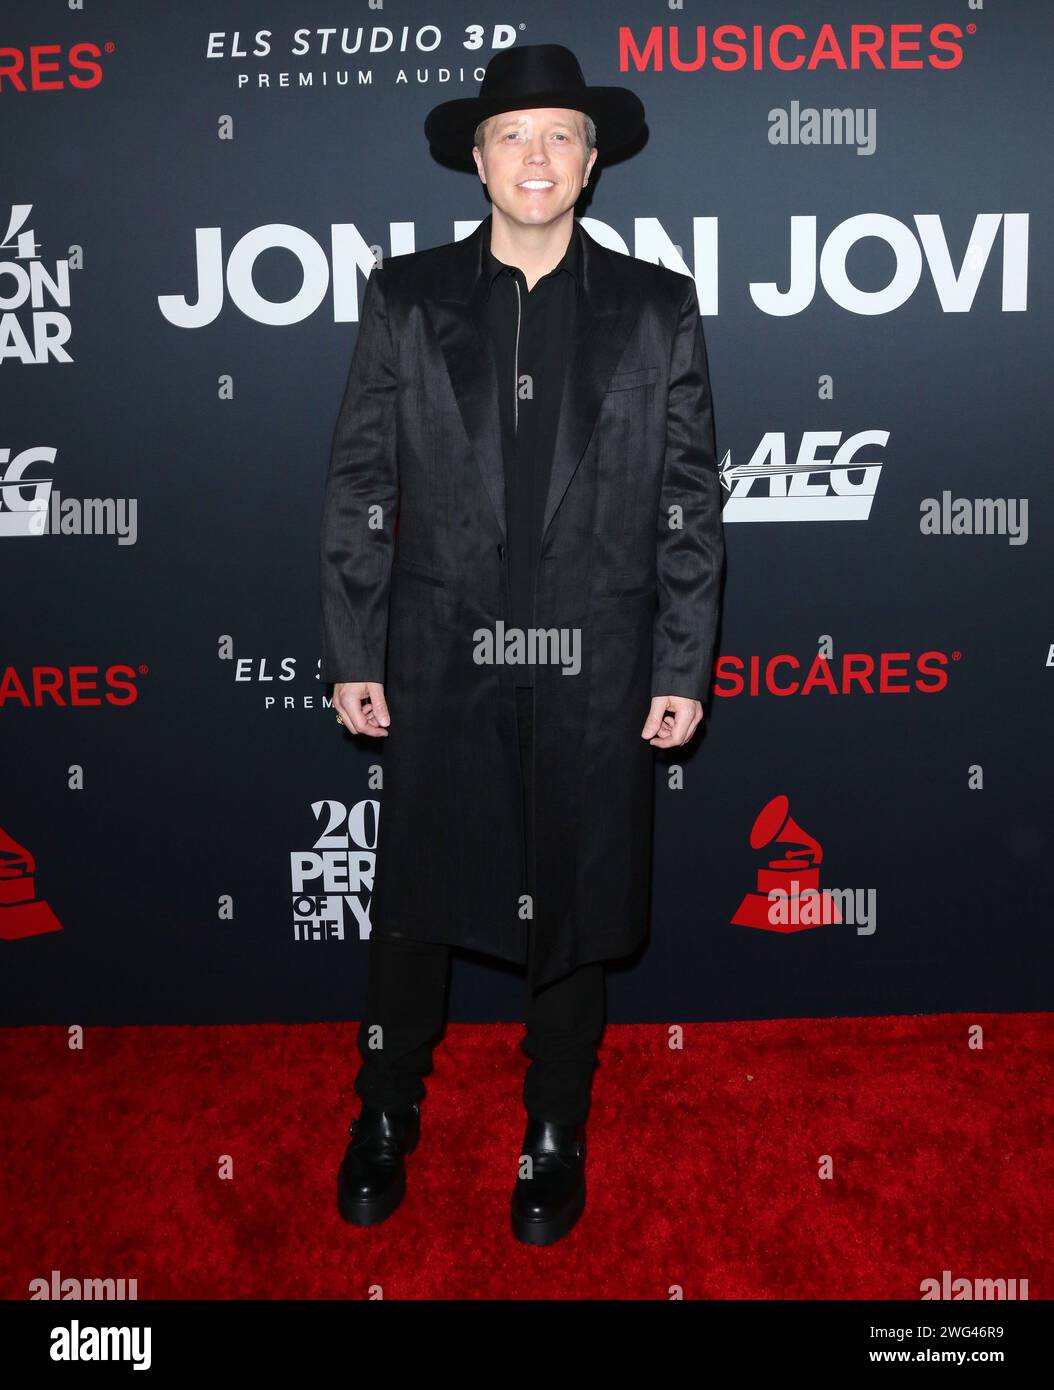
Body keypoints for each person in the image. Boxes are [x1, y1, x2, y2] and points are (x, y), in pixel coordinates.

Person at [319, 43, 725, 1246]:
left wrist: (679, 661)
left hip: (598, 661)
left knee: (577, 900)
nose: (536, 156)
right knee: (413, 905)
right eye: (512, 135)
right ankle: (384, 1112)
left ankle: (554, 1126)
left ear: (591, 164)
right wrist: (353, 648)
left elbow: (689, 499)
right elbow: (358, 484)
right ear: (478, 162)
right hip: (442, 654)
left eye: (560, 135)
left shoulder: (658, 307)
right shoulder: (403, 298)